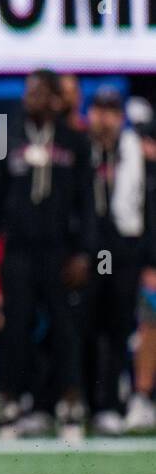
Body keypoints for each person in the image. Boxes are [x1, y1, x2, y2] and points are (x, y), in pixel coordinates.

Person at [0, 70, 94, 441]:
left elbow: (87, 203)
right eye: (30, 93)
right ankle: (12, 402)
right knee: (15, 327)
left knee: (64, 328)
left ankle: (70, 403)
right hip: (18, 249)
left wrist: (85, 253)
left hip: (58, 249)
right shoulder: (9, 137)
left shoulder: (74, 141)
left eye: (43, 93)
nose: (34, 99)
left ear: (58, 100)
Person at [83, 87, 146, 435]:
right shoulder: (82, 151)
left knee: (119, 327)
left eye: (111, 111)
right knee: (89, 327)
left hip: (123, 250)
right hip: (90, 251)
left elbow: (145, 208)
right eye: (99, 110)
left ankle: (112, 402)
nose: (104, 119)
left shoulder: (134, 152)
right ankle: (92, 401)